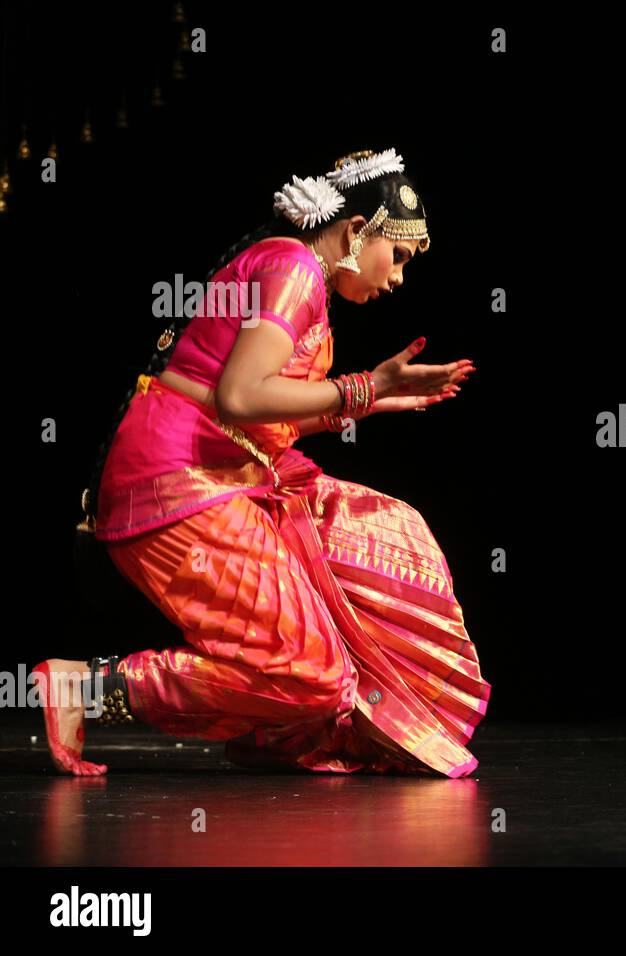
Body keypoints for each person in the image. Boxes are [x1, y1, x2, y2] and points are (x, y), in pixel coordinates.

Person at [39, 149, 490, 777]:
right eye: (402, 257)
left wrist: (373, 400)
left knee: (378, 542)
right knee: (315, 670)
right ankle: (83, 688)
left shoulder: (295, 272)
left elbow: (254, 414)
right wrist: (363, 387)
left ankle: (290, 726)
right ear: (358, 230)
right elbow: (241, 396)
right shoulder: (295, 268)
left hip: (217, 473)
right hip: (176, 479)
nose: (399, 279)